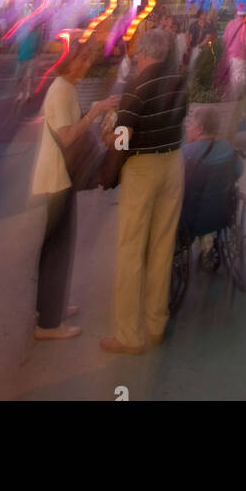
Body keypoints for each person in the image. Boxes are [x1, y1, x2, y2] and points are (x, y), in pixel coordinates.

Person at [103, 28, 188, 355]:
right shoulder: (178, 80)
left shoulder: (136, 87)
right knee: (162, 246)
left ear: (144, 53)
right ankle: (155, 323)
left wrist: (109, 139)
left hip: (143, 170)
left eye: (137, 53)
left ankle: (128, 334)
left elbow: (123, 138)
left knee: (131, 249)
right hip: (173, 164)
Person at [31, 38, 114, 341]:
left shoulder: (64, 88)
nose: (86, 65)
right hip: (58, 177)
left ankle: (50, 308)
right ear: (67, 61)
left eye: (88, 59)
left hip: (57, 175)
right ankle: (50, 325)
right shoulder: (61, 91)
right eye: (81, 59)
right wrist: (94, 112)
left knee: (55, 245)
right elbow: (67, 137)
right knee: (57, 248)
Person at [180, 104, 244, 258]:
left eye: (190, 125)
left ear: (200, 129)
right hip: (223, 214)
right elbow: (238, 172)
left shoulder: (186, 153)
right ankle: (208, 238)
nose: (188, 129)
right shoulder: (229, 149)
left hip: (192, 218)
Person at [216, 10, 246, 98]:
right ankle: (236, 96)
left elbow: (224, 40)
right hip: (240, 55)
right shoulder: (245, 26)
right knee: (239, 76)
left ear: (235, 14)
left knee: (231, 74)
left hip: (229, 54)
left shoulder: (229, 24)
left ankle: (231, 94)